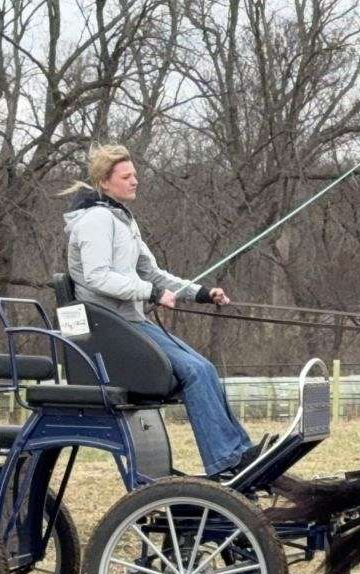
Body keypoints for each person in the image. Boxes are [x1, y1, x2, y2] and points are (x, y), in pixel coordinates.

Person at [61, 143, 262, 477]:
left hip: (129, 322)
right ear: (105, 182)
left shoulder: (122, 219)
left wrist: (199, 293)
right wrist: (150, 292)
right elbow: (98, 278)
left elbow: (153, 273)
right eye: (126, 176)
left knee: (205, 368)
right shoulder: (96, 221)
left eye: (135, 175)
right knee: (195, 372)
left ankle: (238, 453)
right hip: (107, 331)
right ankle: (226, 461)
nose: (135, 181)